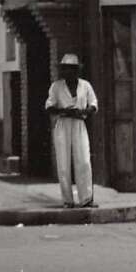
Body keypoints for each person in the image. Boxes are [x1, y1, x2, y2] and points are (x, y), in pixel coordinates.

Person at [45, 54, 98, 208]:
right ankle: (68, 200)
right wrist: (64, 111)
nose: (68, 72)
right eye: (65, 69)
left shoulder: (85, 85)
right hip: (63, 125)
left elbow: (94, 103)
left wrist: (85, 111)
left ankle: (86, 198)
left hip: (79, 124)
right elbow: (49, 106)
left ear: (76, 70)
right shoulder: (56, 86)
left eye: (71, 69)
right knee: (63, 163)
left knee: (84, 161)